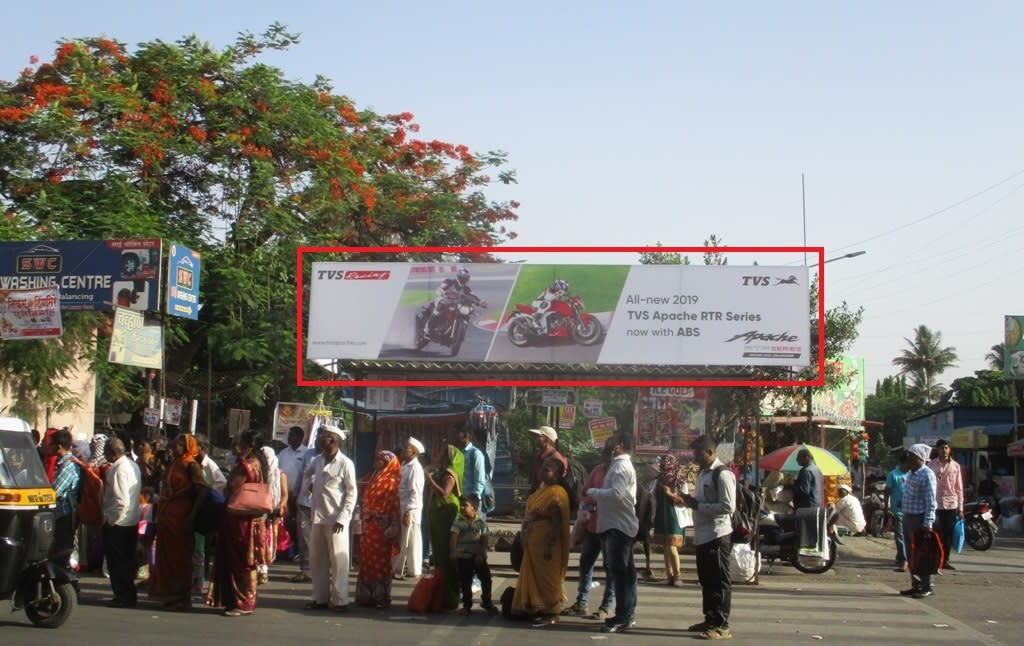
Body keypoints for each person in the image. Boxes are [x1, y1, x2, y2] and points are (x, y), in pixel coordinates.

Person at [206, 430, 268, 616]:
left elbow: (233, 486)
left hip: (239, 519)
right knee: (243, 561)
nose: (234, 447)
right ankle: (243, 600)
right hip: (247, 518)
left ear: (247, 447)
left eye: (237, 444)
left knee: (237, 561)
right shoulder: (258, 464)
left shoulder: (246, 466)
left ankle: (240, 601)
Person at [680, 434, 735, 641]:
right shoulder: (703, 473)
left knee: (719, 582)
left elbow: (728, 506)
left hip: (718, 535)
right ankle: (710, 618)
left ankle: (722, 625)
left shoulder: (722, 474)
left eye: (698, 453)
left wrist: (699, 506)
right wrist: (690, 501)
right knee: (707, 581)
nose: (695, 457)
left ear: (710, 452)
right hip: (702, 535)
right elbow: (702, 501)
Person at [587, 433, 639, 634]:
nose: (606, 444)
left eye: (610, 442)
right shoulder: (619, 465)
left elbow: (617, 494)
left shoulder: (620, 467)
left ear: (619, 446)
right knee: (626, 573)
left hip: (619, 526)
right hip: (617, 525)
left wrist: (594, 492)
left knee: (621, 573)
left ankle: (623, 616)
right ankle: (627, 614)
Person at [151, 433, 208, 611]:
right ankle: (168, 594)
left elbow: (201, 492)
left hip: (181, 516)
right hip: (167, 516)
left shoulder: (191, 465)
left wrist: (191, 517)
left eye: (177, 446)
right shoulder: (174, 463)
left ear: (186, 448)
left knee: (180, 559)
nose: (173, 448)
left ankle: (181, 597)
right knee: (166, 557)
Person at [512, 456, 571, 627]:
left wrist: (550, 545)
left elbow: (557, 523)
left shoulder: (557, 493)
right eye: (542, 468)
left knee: (548, 578)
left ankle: (552, 612)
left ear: (558, 474)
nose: (542, 472)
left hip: (547, 544)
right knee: (536, 576)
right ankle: (536, 607)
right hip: (533, 542)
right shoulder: (541, 490)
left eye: (548, 469)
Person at [304, 424, 357, 612]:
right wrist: (311, 487)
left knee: (338, 561)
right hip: (317, 517)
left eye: (322, 436)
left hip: (336, 520)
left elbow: (352, 493)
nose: (319, 439)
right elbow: (307, 475)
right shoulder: (317, 460)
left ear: (332, 440)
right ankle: (320, 599)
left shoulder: (345, 463)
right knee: (317, 560)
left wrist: (343, 518)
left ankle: (340, 600)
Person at [562, 442, 615, 620]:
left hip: (610, 527)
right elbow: (584, 493)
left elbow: (615, 498)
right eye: (604, 457)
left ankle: (606, 606)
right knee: (586, 563)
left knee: (610, 568)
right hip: (592, 525)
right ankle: (582, 602)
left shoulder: (618, 473)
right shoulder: (598, 470)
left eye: (608, 457)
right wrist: (596, 498)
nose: (606, 461)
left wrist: (596, 497)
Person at [356, 450, 402, 607]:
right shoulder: (375, 477)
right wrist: (367, 512)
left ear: (387, 462)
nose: (376, 461)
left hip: (382, 527)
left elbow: (393, 504)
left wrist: (376, 513)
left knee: (381, 561)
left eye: (380, 459)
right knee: (367, 559)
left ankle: (380, 596)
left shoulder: (392, 481)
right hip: (369, 525)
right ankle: (366, 595)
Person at [101, 437, 142, 608]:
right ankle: (126, 594)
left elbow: (121, 501)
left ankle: (124, 595)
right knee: (126, 560)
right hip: (130, 520)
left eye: (106, 451)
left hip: (119, 522)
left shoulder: (119, 469)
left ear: (112, 452)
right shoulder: (132, 465)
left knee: (118, 562)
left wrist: (111, 520)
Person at [425, 444, 464, 610]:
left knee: (445, 554)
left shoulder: (450, 473)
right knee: (439, 556)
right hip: (438, 514)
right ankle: (442, 594)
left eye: (442, 452)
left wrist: (430, 480)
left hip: (445, 512)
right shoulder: (442, 470)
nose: (439, 453)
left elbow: (445, 493)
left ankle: (450, 596)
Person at [901, 443, 938, 599]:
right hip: (908, 517)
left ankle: (927, 585)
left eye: (911, 456)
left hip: (920, 519)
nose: (908, 459)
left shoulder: (927, 474)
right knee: (911, 554)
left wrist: (928, 523)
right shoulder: (911, 474)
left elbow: (931, 501)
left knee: (923, 554)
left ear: (919, 458)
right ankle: (916, 584)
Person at [449, 493, 495, 615]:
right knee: (465, 581)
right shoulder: (458, 522)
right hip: (463, 557)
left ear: (474, 507)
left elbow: (485, 539)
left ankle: (487, 601)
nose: (462, 508)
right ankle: (467, 604)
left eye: (465, 505)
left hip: (477, 557)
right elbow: (453, 537)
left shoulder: (480, 523)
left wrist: (481, 554)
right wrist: (453, 552)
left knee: (486, 578)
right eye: (461, 505)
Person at [653, 453, 692, 587]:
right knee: (665, 546)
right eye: (664, 464)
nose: (666, 466)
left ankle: (677, 575)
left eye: (668, 463)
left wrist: (669, 493)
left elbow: (685, 501)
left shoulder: (680, 480)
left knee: (671, 546)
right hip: (661, 515)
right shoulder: (658, 479)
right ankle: (669, 575)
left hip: (674, 516)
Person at [279, 426, 313, 574]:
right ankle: (286, 550)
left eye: (293, 436)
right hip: (283, 495)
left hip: (299, 496)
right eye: (289, 436)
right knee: (284, 523)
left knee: (299, 527)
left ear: (300, 438)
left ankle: (300, 553)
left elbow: (303, 476)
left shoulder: (306, 453)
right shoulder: (283, 452)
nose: (290, 439)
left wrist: (297, 493)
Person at [927, 439, 964, 569]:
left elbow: (959, 488)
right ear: (937, 450)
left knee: (948, 534)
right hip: (935, 504)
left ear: (950, 450)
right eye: (942, 448)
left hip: (951, 504)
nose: (944, 450)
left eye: (946, 448)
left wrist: (960, 507)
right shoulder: (931, 466)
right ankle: (935, 558)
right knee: (935, 533)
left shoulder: (955, 466)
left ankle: (945, 560)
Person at [47, 429, 81, 568]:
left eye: (51, 444)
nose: (49, 447)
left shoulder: (68, 466)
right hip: (60, 515)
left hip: (64, 517)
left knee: (61, 553)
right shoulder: (62, 463)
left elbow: (54, 493)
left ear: (59, 446)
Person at [394, 437, 425, 579]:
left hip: (410, 509)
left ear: (413, 452)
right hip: (403, 507)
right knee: (408, 540)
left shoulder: (416, 468)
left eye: (407, 448)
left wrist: (409, 511)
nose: (403, 450)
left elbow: (415, 492)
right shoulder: (405, 465)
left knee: (411, 540)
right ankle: (412, 569)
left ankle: (408, 569)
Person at [423, 267, 484, 334]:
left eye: (467, 277)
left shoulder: (466, 288)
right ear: (460, 277)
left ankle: (454, 329)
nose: (466, 279)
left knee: (467, 311)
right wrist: (443, 294)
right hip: (443, 299)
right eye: (464, 277)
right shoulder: (449, 282)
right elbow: (440, 288)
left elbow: (473, 296)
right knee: (441, 304)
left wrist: (480, 302)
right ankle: (427, 327)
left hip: (455, 303)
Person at [885, 452, 911, 572]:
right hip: (898, 511)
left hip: (911, 510)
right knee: (900, 535)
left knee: (908, 536)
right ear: (902, 462)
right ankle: (904, 560)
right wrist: (887, 507)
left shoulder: (912, 474)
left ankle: (902, 555)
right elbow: (887, 491)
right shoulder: (893, 475)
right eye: (908, 462)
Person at [455, 426, 487, 515]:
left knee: (473, 526)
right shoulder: (459, 452)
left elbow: (480, 478)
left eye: (460, 437)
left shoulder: (476, 453)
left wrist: (474, 500)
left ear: (467, 437)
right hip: (461, 497)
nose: (458, 439)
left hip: (471, 500)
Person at [528, 425, 569, 492]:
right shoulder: (539, 457)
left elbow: (560, 480)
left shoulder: (556, 457)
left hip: (550, 496)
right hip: (538, 496)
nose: (535, 438)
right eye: (535, 436)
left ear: (547, 439)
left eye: (538, 436)